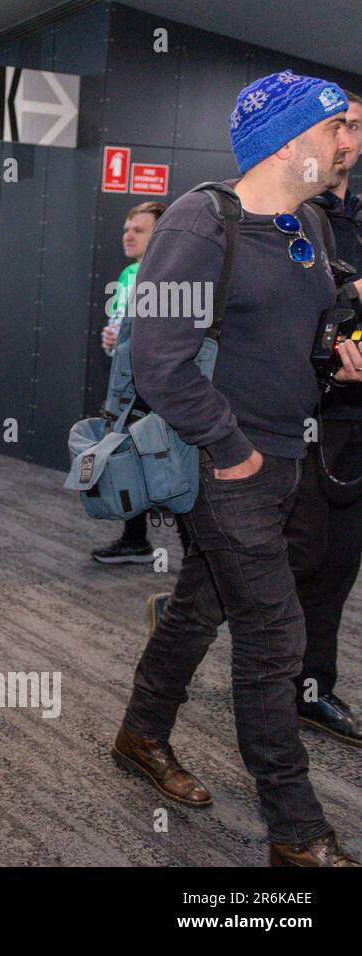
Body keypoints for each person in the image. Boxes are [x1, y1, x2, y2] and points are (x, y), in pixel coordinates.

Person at [114, 72, 359, 867]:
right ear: (290, 141)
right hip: (229, 466)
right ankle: (297, 832)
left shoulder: (313, 226)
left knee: (197, 608)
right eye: (335, 130)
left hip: (292, 454)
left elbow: (302, 333)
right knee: (275, 640)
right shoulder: (197, 221)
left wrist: (339, 349)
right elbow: (157, 359)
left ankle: (139, 734)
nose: (349, 143)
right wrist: (231, 447)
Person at [284, 88, 362, 747]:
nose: (347, 139)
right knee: (297, 555)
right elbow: (286, 312)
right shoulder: (290, 215)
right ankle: (197, 608)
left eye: (356, 128)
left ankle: (311, 687)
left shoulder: (358, 219)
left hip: (354, 417)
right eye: (338, 125)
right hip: (296, 416)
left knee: (338, 561)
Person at [93, 201, 166, 564]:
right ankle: (135, 539)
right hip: (127, 391)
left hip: (158, 394)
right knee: (128, 464)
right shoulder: (126, 276)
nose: (128, 235)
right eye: (126, 229)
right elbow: (120, 335)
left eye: (139, 229)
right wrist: (110, 344)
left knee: (162, 469)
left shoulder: (170, 277)